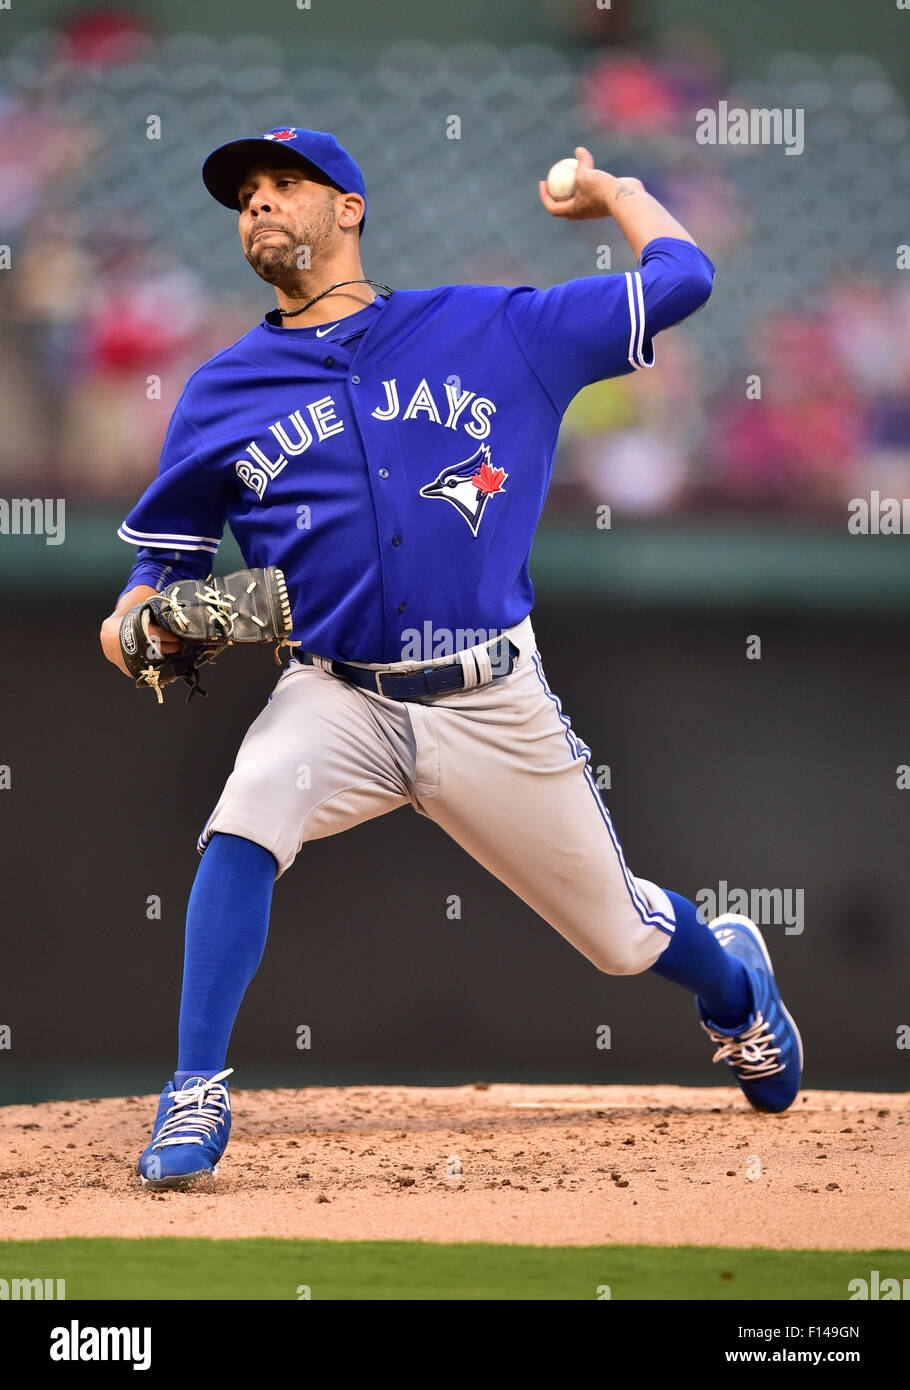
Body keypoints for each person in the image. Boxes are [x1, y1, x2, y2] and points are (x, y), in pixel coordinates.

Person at [99, 127, 802, 1188]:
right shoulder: (221, 393)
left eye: (287, 184)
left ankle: (738, 986)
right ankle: (196, 1090)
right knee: (244, 816)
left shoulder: (491, 328)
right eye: (245, 193)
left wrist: (617, 190)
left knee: (617, 936)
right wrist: (134, 624)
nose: (259, 203)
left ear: (351, 208)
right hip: (334, 695)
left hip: (488, 697)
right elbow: (157, 571)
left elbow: (683, 276)